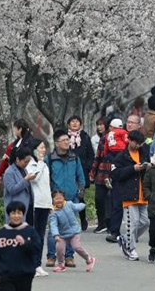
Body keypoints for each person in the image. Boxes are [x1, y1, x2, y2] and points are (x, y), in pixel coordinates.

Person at [45, 130, 85, 267]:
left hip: (72, 198)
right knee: (53, 228)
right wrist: (50, 194)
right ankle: (51, 256)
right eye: (64, 140)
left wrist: (80, 191)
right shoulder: (50, 159)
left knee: (70, 229)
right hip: (56, 199)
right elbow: (46, 178)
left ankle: (69, 257)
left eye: (68, 140)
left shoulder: (75, 157)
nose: (67, 142)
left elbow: (80, 176)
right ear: (56, 143)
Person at [112, 130, 150, 261]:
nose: (138, 146)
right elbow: (115, 174)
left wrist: (148, 167)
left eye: (140, 143)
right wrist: (132, 169)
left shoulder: (144, 153)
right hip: (128, 194)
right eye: (136, 143)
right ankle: (130, 248)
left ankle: (125, 238)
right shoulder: (121, 157)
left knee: (145, 222)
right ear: (129, 140)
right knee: (132, 223)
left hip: (143, 194)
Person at [0, 201, 43, 291]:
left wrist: (25, 243)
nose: (16, 216)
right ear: (9, 214)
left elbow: (37, 249)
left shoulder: (30, 231)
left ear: (23, 214)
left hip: (25, 274)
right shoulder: (2, 232)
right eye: (13, 213)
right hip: (6, 274)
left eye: (19, 213)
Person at [48, 190, 97, 273]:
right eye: (56, 199)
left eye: (60, 198)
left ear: (64, 198)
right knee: (59, 248)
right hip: (62, 234)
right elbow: (53, 225)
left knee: (76, 247)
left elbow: (77, 206)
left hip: (74, 231)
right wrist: (56, 235)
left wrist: (83, 205)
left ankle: (89, 259)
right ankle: (60, 265)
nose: (59, 200)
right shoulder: (54, 213)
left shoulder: (69, 204)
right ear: (53, 200)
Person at [25, 138, 52, 277]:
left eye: (44, 148)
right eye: (41, 148)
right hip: (35, 204)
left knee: (41, 236)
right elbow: (33, 178)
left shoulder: (44, 165)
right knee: (33, 235)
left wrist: (50, 203)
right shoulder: (31, 164)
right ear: (34, 149)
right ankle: (30, 264)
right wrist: (40, 163)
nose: (44, 150)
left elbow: (46, 185)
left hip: (45, 203)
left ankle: (37, 264)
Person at [65, 115, 94, 230]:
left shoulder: (85, 136)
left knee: (80, 195)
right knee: (68, 195)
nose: (75, 123)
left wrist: (87, 166)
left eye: (77, 122)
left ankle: (83, 219)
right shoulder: (64, 137)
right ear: (68, 124)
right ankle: (69, 220)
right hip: (68, 171)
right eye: (72, 121)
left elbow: (91, 154)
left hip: (82, 171)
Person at [89, 119, 113, 234]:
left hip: (114, 171)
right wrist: (92, 172)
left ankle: (110, 223)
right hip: (102, 170)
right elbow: (97, 157)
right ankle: (101, 222)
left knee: (111, 199)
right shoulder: (102, 140)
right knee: (99, 198)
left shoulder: (123, 140)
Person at [0, 119, 34, 183]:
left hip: (25, 173)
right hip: (14, 173)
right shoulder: (15, 143)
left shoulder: (29, 142)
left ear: (20, 129)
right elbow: (5, 162)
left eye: (15, 128)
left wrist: (9, 159)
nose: (14, 131)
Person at [2, 147, 35, 225]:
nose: (27, 164)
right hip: (16, 209)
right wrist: (26, 179)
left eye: (28, 162)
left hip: (28, 206)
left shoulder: (24, 170)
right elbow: (12, 189)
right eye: (25, 162)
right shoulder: (9, 172)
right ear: (18, 159)